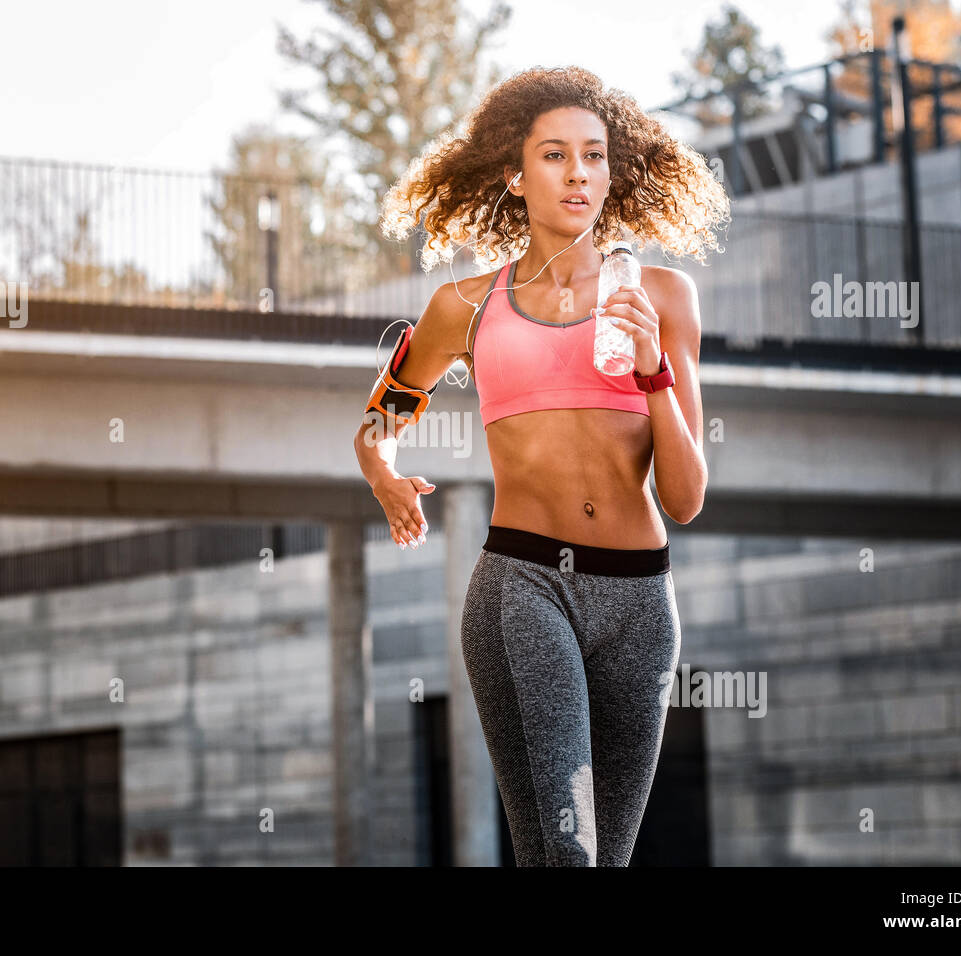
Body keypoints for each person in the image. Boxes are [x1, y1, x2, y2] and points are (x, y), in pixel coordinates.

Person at [355, 66, 730, 866]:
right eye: (555, 156)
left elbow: (688, 495)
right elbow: (380, 420)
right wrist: (382, 471)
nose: (579, 175)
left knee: (606, 861)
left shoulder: (664, 296)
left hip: (640, 602)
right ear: (515, 175)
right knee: (564, 855)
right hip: (525, 587)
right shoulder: (465, 306)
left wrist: (652, 369)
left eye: (594, 156)